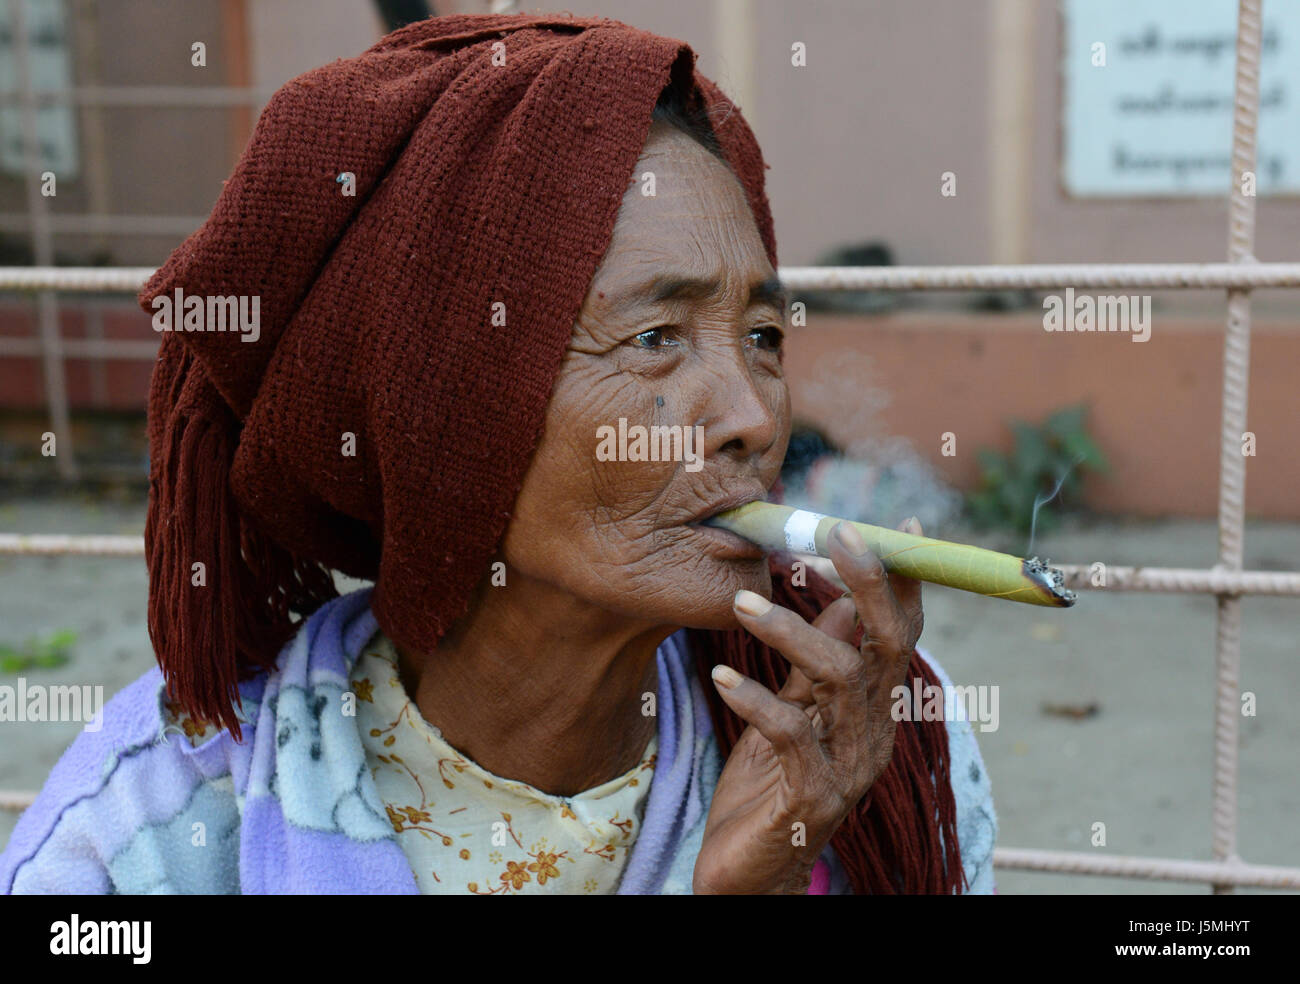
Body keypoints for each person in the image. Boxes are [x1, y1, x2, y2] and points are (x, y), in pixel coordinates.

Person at [0, 12, 995, 895]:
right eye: (655, 339)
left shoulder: (861, 741)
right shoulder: (153, 825)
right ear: (445, 414)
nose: (754, 419)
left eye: (764, 337)